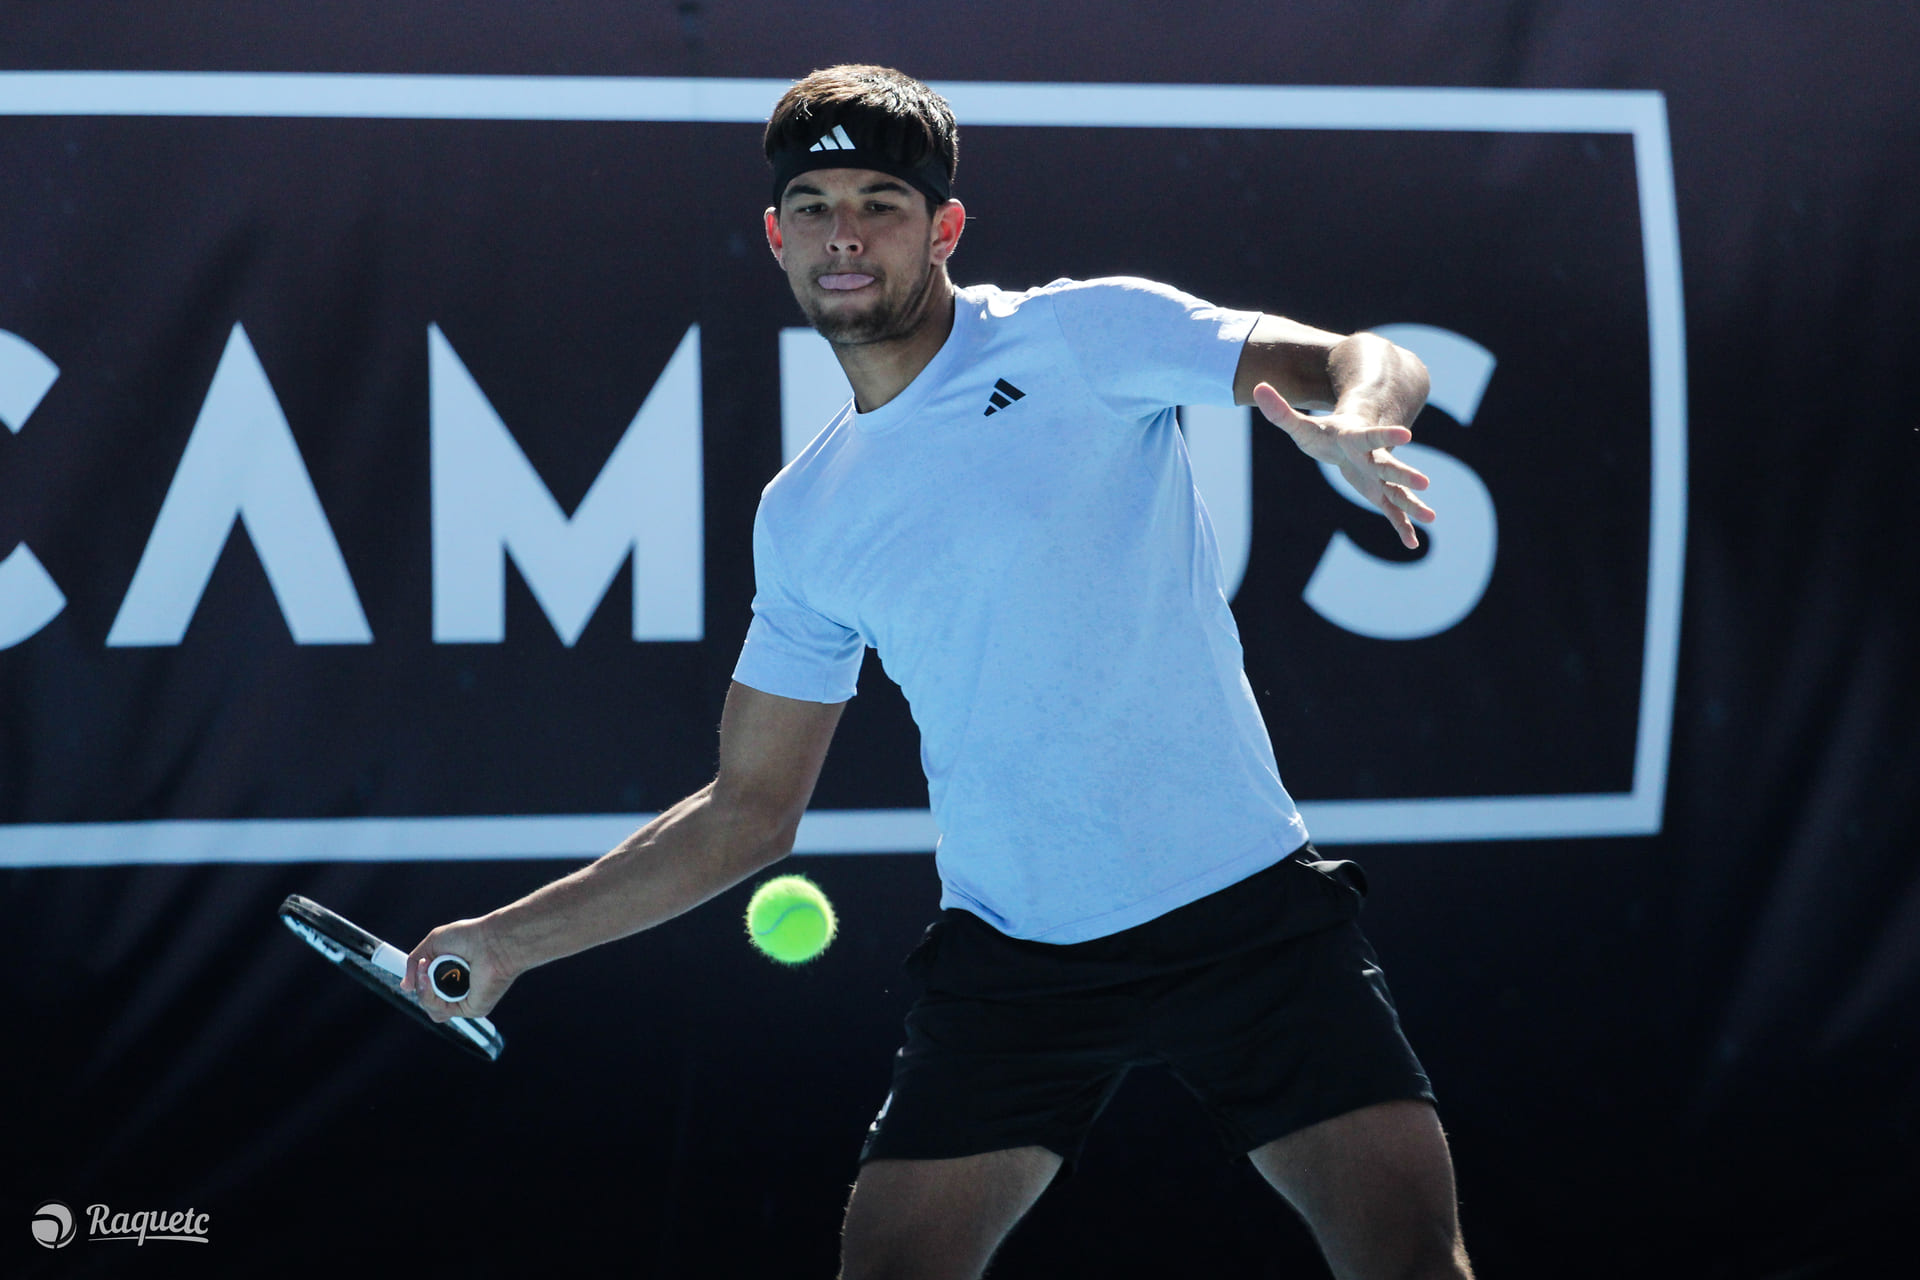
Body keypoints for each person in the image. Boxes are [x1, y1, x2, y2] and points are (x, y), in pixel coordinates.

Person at [404, 64, 1472, 1280]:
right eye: (812, 205)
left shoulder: (1082, 333)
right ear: (776, 236)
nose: (844, 234)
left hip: (1249, 920)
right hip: (1013, 964)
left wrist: (1360, 426)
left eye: (881, 202)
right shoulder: (804, 515)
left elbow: (1358, 357)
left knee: (1408, 1261)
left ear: (946, 227)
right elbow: (750, 811)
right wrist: (506, 944)